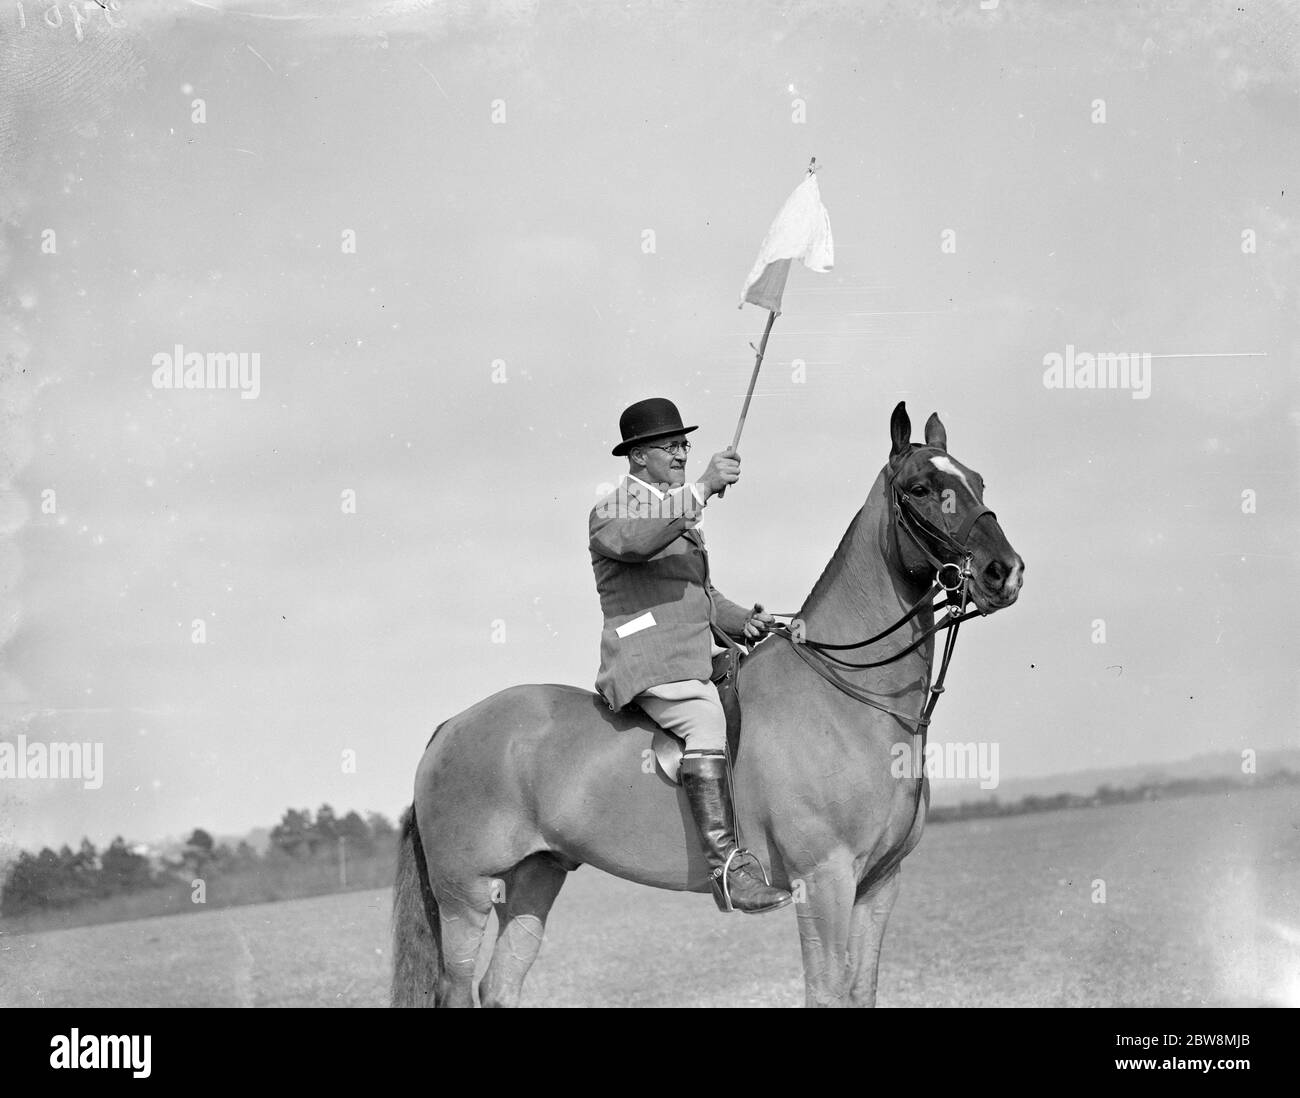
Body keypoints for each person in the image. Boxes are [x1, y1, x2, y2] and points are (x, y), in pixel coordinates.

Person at [588, 397, 789, 914]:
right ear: (637, 457)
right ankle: (729, 871)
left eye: (684, 446)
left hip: (695, 655)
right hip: (647, 659)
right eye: (670, 446)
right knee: (704, 720)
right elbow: (637, 544)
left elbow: (698, 594)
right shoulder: (611, 512)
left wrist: (743, 619)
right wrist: (698, 489)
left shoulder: (677, 515)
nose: (680, 454)